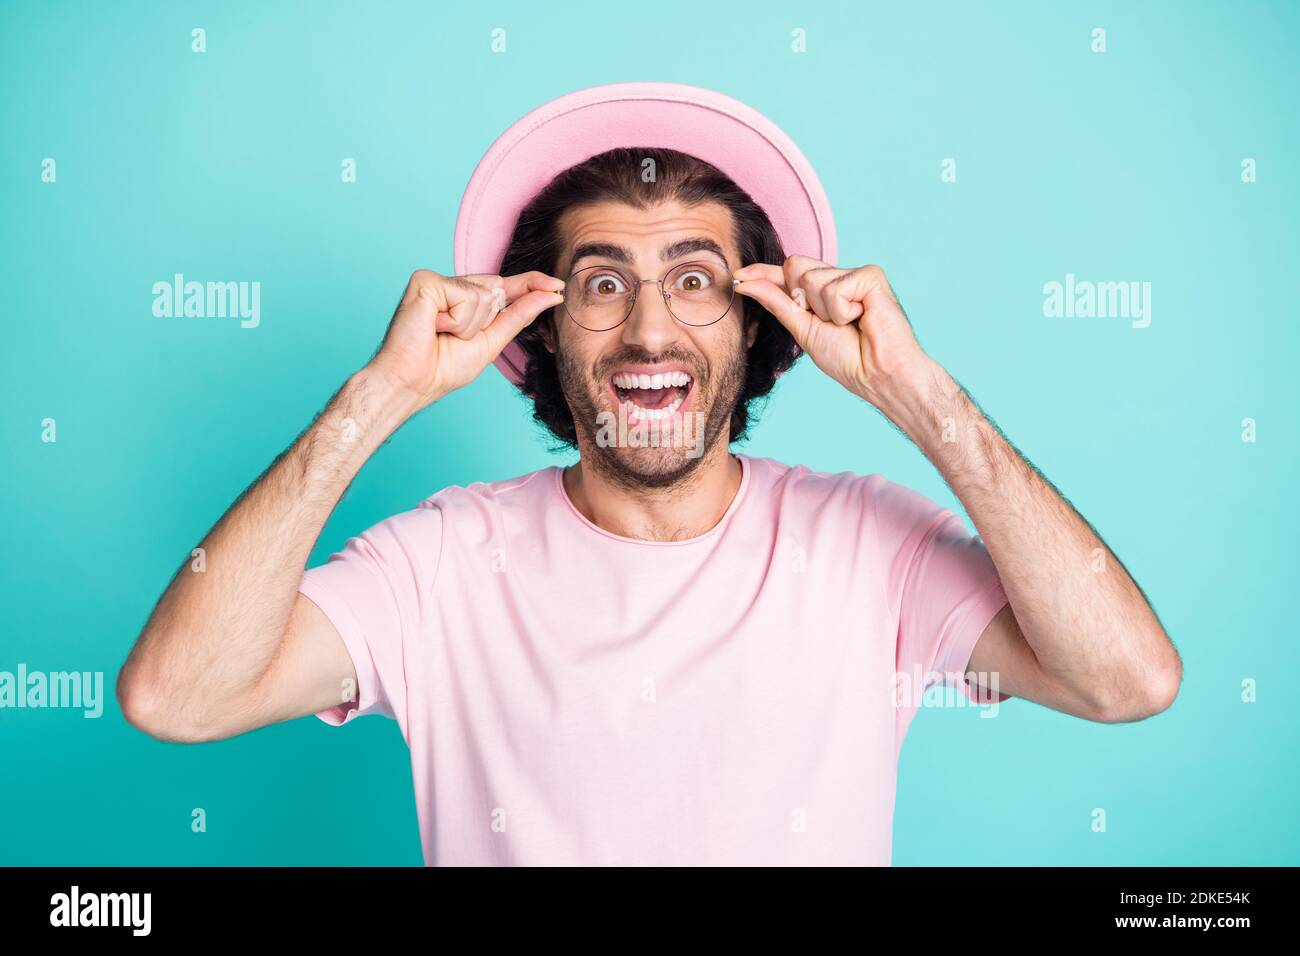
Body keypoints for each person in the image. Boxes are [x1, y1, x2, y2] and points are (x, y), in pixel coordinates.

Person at [117, 84, 1181, 866]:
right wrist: (380, 396)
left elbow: (1125, 678)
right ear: (537, 324)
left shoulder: (868, 546)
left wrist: (918, 395)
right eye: (601, 282)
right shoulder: (438, 564)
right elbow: (178, 696)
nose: (649, 328)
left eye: (692, 279)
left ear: (756, 319)